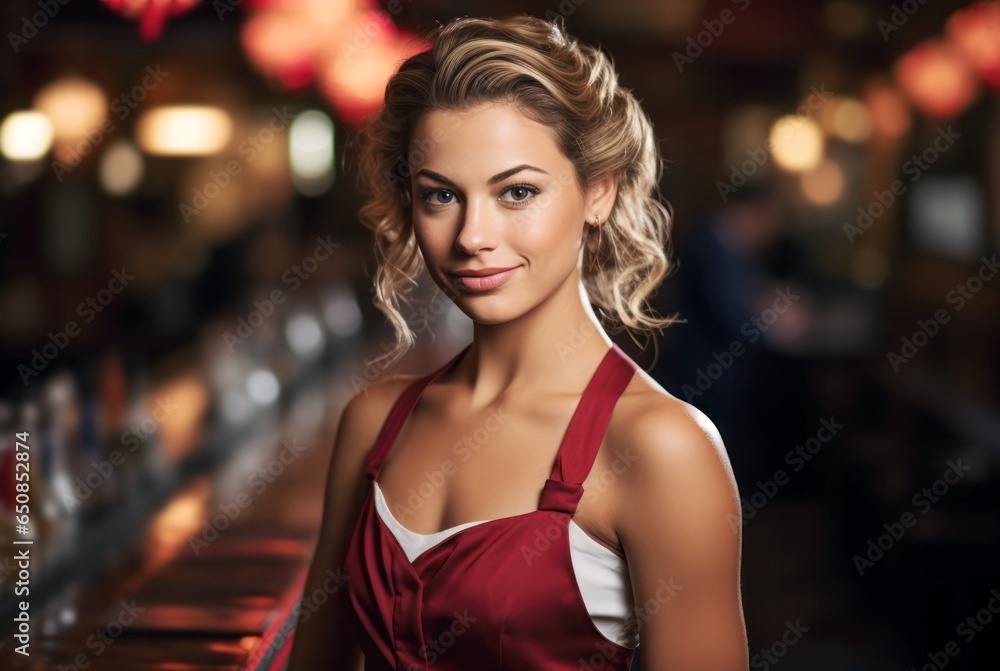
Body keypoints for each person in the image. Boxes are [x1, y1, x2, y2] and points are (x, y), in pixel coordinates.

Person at [286, 14, 748, 671]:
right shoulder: (373, 421)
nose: (472, 236)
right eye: (440, 195)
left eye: (517, 191)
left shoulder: (661, 446)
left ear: (599, 192)